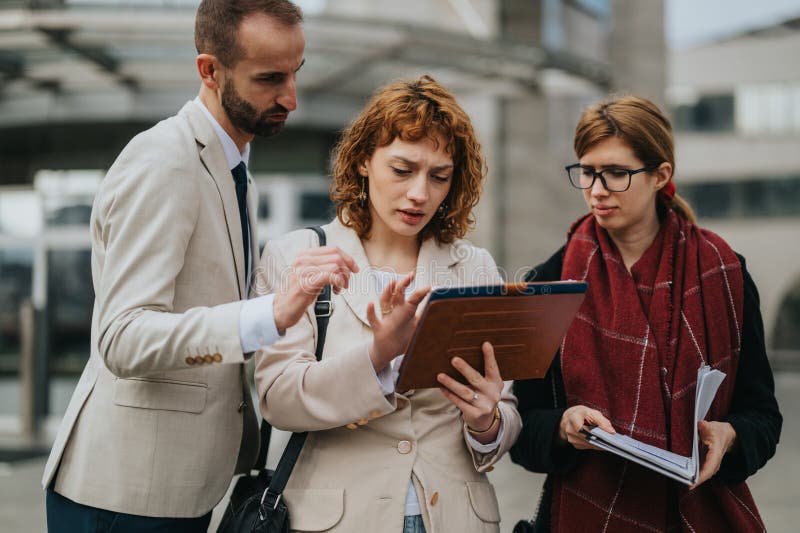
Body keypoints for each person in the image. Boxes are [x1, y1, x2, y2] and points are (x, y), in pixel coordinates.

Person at [42, 1, 359, 531]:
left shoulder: (232, 167)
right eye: (269, 79)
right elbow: (121, 337)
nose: (291, 98)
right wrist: (269, 314)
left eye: (295, 73)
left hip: (175, 488)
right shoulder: (166, 160)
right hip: (125, 497)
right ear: (209, 71)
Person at [253, 75, 521, 533]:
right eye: (402, 170)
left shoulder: (475, 266)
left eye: (439, 176)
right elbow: (278, 399)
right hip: (338, 521)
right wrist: (377, 356)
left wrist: (488, 422)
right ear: (362, 161)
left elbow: (506, 413)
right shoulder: (297, 256)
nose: (420, 193)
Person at [510, 95, 782, 532]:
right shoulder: (553, 279)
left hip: (698, 514)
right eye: (586, 171)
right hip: (587, 514)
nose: (597, 189)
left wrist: (730, 437)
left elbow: (763, 416)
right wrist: (563, 426)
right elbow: (522, 428)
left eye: (617, 173)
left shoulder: (723, 271)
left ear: (661, 175)